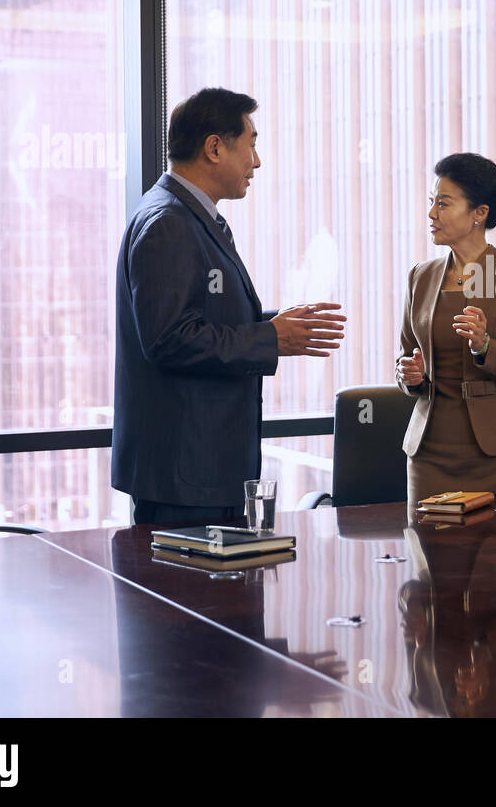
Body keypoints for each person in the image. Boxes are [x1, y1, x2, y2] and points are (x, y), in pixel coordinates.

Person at [113, 88, 346, 527]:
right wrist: (269, 337)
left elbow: (200, 320)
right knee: (191, 596)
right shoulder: (169, 224)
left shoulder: (187, 216)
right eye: (251, 144)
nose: (256, 162)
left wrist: (273, 325)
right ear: (214, 148)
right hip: (186, 477)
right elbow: (168, 339)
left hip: (201, 472)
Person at [396, 153, 496, 508]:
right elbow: (406, 358)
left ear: (479, 213)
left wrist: (485, 346)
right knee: (431, 559)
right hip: (430, 454)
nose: (432, 213)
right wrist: (411, 376)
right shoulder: (421, 275)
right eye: (432, 202)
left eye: (443, 203)